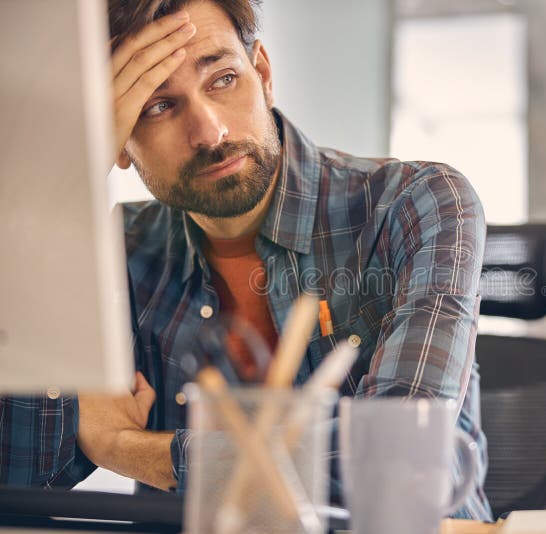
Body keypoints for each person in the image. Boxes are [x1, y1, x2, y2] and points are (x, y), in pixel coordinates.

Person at [0, 0, 490, 520]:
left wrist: (128, 449)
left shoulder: (418, 203)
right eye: (158, 106)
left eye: (224, 79)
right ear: (120, 141)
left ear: (263, 74)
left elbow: (397, 466)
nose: (210, 132)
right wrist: (68, 178)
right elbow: (18, 477)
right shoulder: (117, 250)